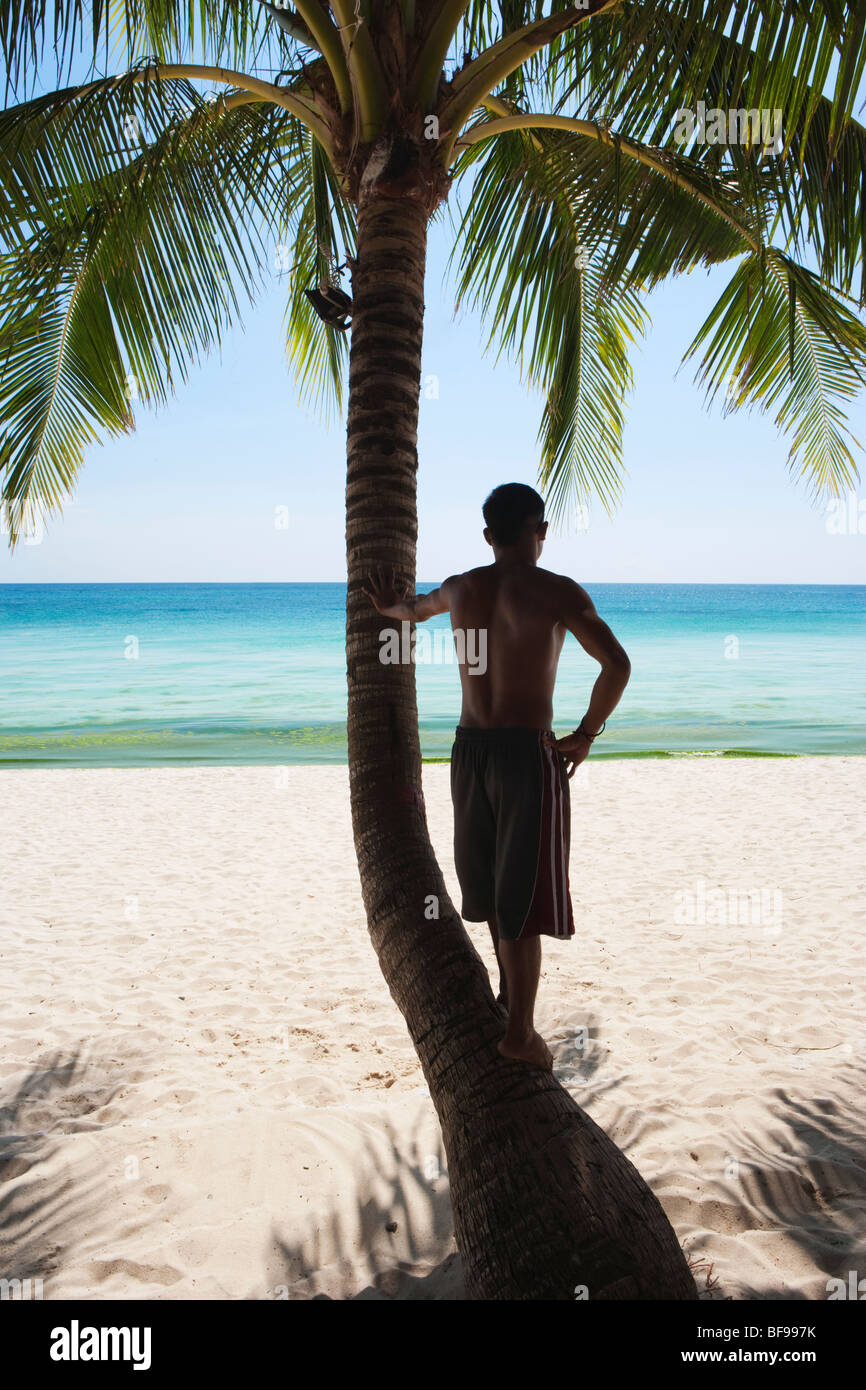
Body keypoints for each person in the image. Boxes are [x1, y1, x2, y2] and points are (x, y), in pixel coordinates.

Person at [364, 482, 631, 1070]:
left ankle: (510, 995)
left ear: (489, 537)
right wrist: (586, 734)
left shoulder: (462, 588)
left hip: (469, 752)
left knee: (486, 884)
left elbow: (413, 610)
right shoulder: (556, 591)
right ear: (540, 533)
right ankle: (519, 1035)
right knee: (523, 899)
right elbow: (617, 665)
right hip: (523, 755)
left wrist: (388, 608)